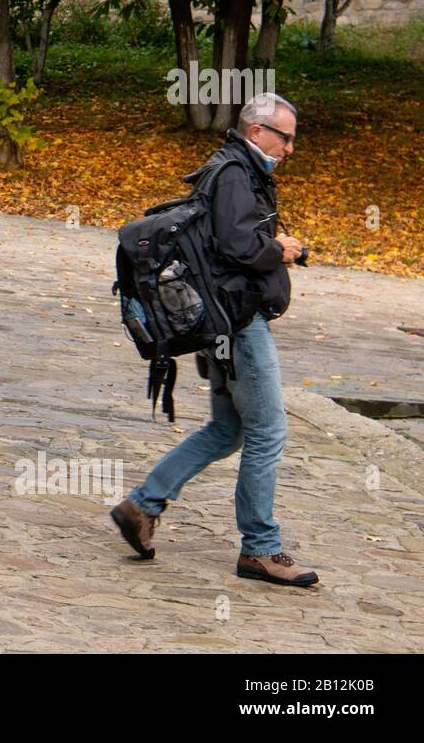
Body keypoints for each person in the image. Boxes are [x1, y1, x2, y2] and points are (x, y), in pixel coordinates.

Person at [111, 92, 319, 587]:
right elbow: (236, 247)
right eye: (284, 137)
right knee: (268, 432)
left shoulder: (237, 171)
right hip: (239, 324)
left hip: (225, 322)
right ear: (256, 132)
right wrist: (282, 249)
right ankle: (260, 549)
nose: (289, 148)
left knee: (228, 430)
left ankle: (142, 505)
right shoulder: (233, 173)